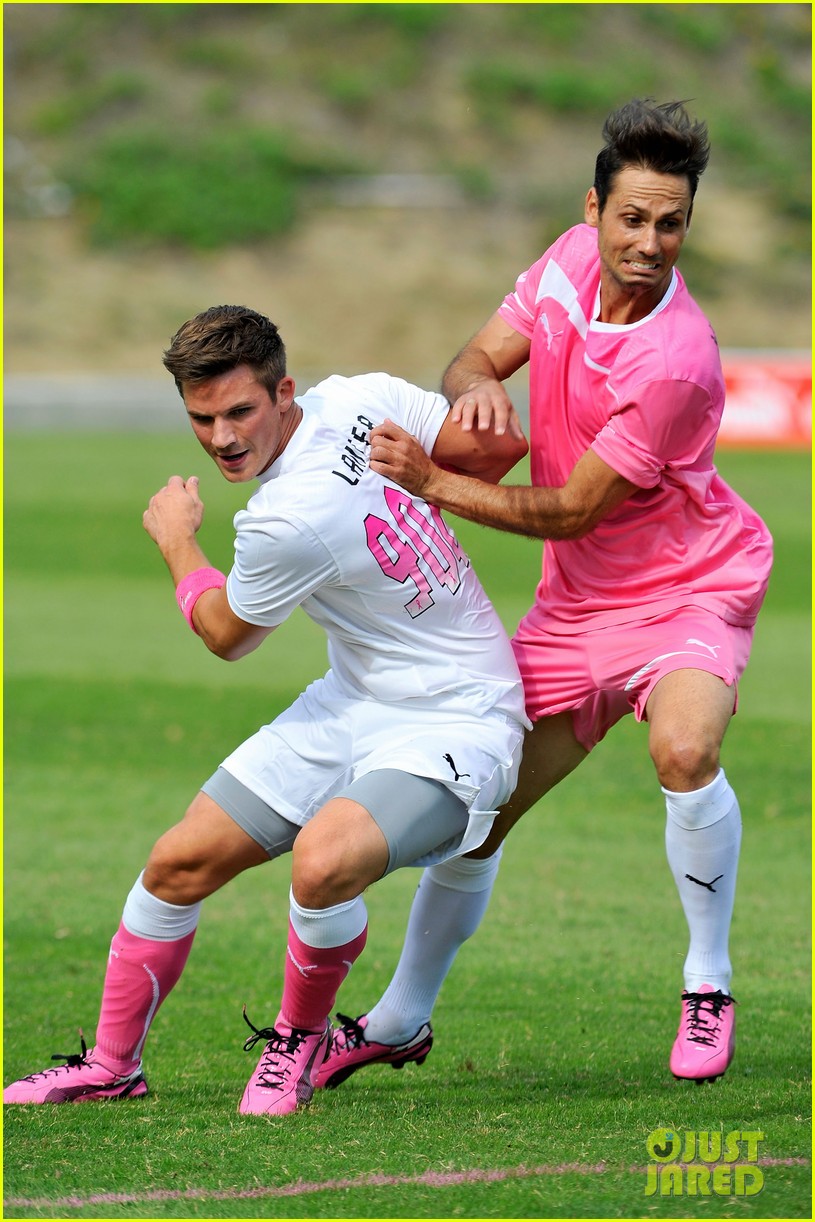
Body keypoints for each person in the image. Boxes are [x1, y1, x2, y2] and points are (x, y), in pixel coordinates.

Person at [312, 98, 773, 1091]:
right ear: (592, 210)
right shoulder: (563, 261)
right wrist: (476, 385)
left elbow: (568, 509)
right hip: (574, 607)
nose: (649, 242)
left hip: (688, 586)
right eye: (631, 218)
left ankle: (706, 981)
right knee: (476, 808)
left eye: (670, 224)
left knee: (683, 746)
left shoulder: (674, 360)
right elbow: (473, 355)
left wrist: (432, 482)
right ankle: (398, 1018)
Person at [3, 304, 531, 1116]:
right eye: (201, 418)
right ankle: (112, 1066)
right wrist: (473, 418)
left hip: (459, 715)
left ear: (284, 392)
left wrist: (178, 539)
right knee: (176, 866)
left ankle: (295, 1044)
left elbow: (225, 636)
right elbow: (495, 451)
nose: (220, 438)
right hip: (354, 700)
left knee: (322, 862)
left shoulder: (285, 516)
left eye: (239, 412)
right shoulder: (361, 396)